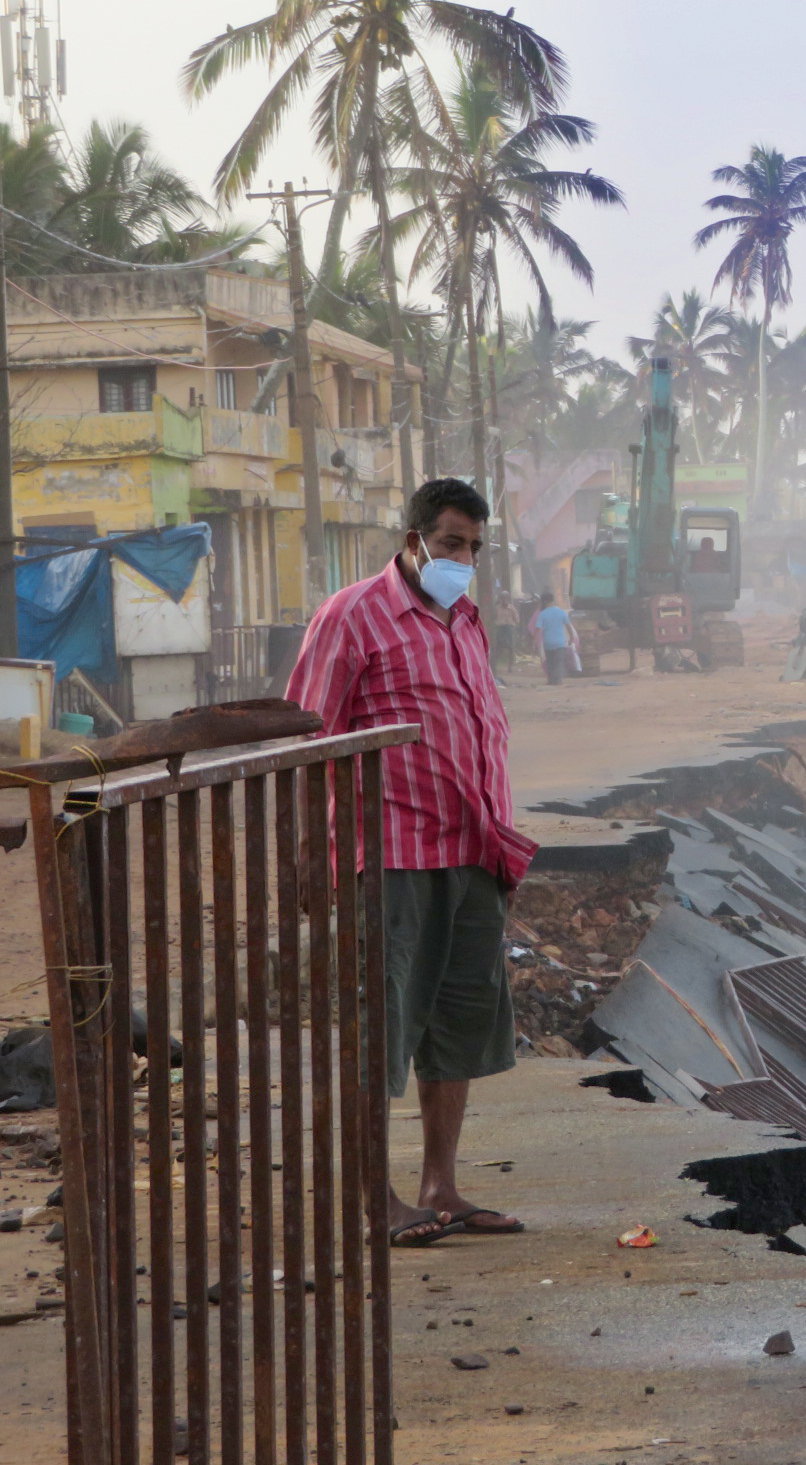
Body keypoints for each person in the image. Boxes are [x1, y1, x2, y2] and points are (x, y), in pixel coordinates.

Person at [285, 477, 536, 1247]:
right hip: (392, 853)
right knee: (380, 1028)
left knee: (457, 1028)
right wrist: (307, 860)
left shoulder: (464, 619)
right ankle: (370, 1197)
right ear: (414, 539)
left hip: (473, 850)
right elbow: (305, 737)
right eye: (453, 544)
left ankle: (440, 1185)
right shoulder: (352, 615)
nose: (464, 560)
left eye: (475, 549)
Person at [533, 592, 574, 685]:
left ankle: (551, 680)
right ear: (552, 600)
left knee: (550, 663)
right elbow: (568, 626)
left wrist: (534, 642)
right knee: (559, 663)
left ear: (544, 601)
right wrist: (571, 638)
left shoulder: (542, 614)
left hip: (548, 643)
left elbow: (537, 630)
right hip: (559, 643)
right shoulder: (561, 612)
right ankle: (557, 680)